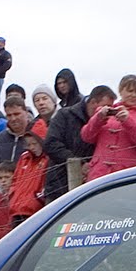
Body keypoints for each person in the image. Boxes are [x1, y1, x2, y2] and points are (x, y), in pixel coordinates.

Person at [80, 78, 136, 180]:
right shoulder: (105, 111)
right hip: (99, 174)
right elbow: (86, 137)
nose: (133, 95)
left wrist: (128, 121)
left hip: (127, 175)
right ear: (121, 91)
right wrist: (98, 119)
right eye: (130, 91)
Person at [43, 67, 93, 201]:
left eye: (64, 82)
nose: (62, 86)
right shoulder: (60, 105)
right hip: (59, 170)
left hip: (75, 168)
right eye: (59, 83)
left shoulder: (79, 103)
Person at [0, 96, 37, 194]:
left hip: (29, 195)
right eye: (9, 115)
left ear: (26, 113)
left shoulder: (37, 138)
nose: (13, 118)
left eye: (17, 114)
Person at [9, 123, 49, 226]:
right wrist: (12, 195)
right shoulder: (24, 158)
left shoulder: (48, 159)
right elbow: (15, 180)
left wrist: (38, 198)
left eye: (34, 143)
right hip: (17, 209)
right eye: (29, 144)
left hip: (35, 210)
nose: (31, 147)